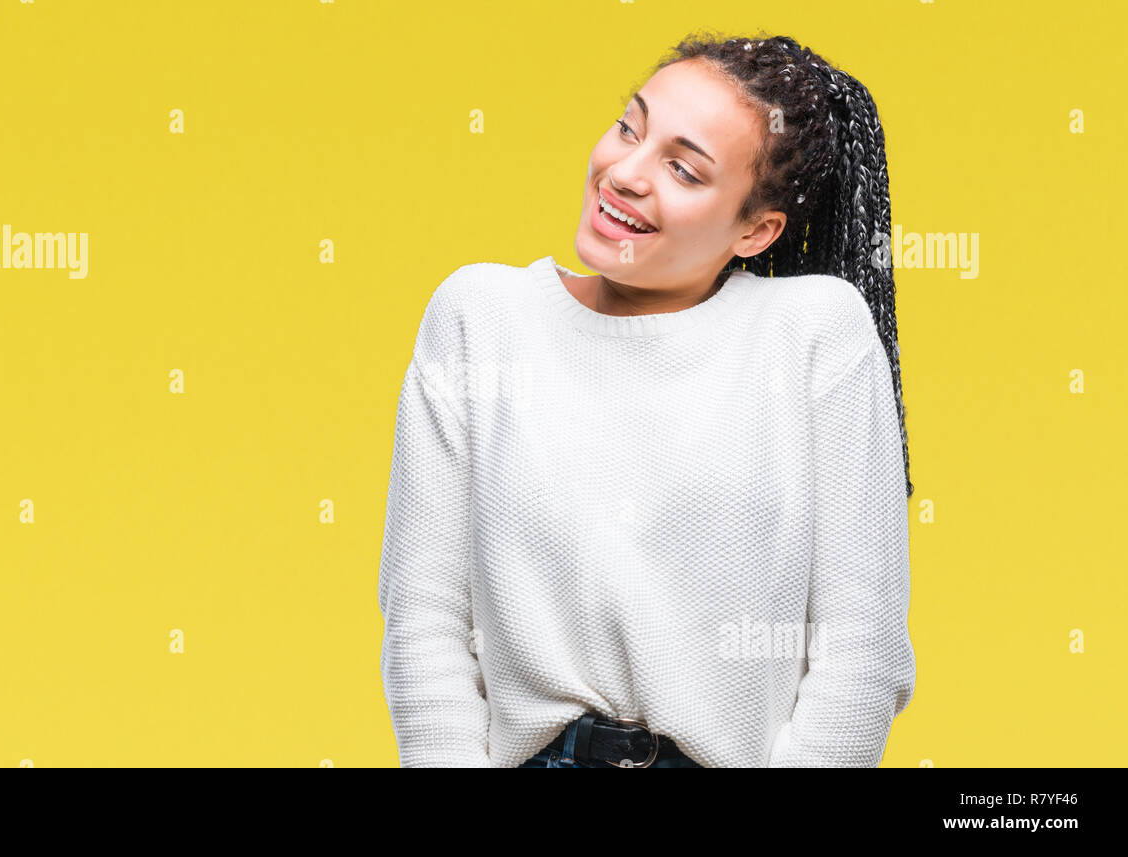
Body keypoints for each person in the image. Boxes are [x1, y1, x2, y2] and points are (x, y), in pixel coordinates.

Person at [378, 31, 916, 768]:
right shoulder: (480, 317)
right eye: (629, 128)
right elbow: (425, 618)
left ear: (757, 231)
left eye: (684, 170)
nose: (626, 173)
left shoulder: (815, 335)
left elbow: (863, 647)